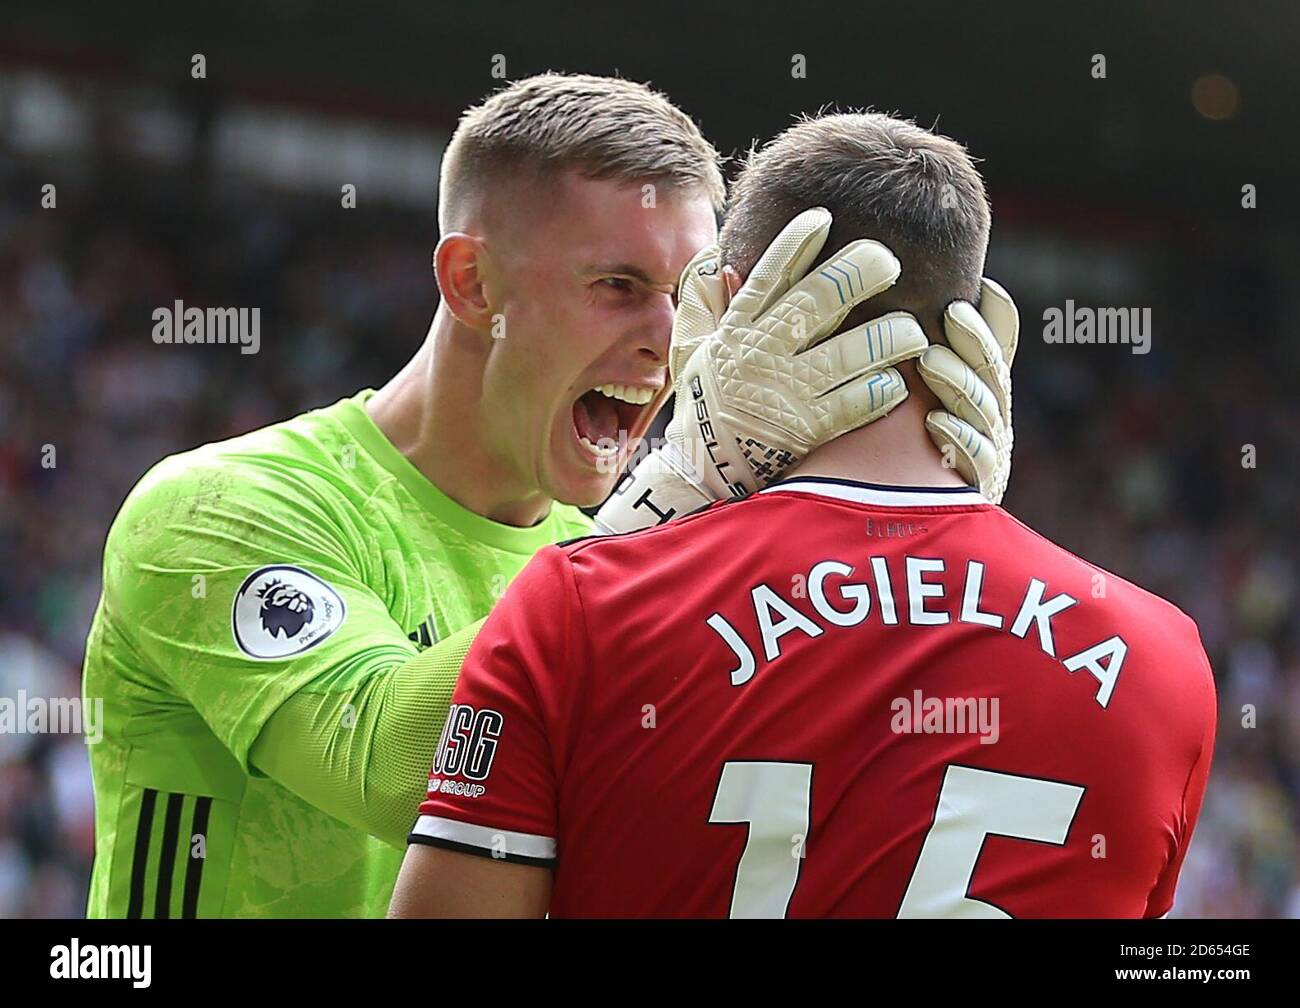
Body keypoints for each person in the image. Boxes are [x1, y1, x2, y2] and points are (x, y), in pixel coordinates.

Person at [84, 77, 1014, 917]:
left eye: (689, 294)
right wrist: (683, 497)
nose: (670, 342)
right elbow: (387, 769)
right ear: (472, 282)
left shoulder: (640, 560)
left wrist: (935, 523)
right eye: (618, 286)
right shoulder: (221, 508)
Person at [390, 112, 1215, 919]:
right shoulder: (1163, 660)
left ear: (731, 300)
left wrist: (664, 503)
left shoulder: (583, 608)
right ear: (971, 330)